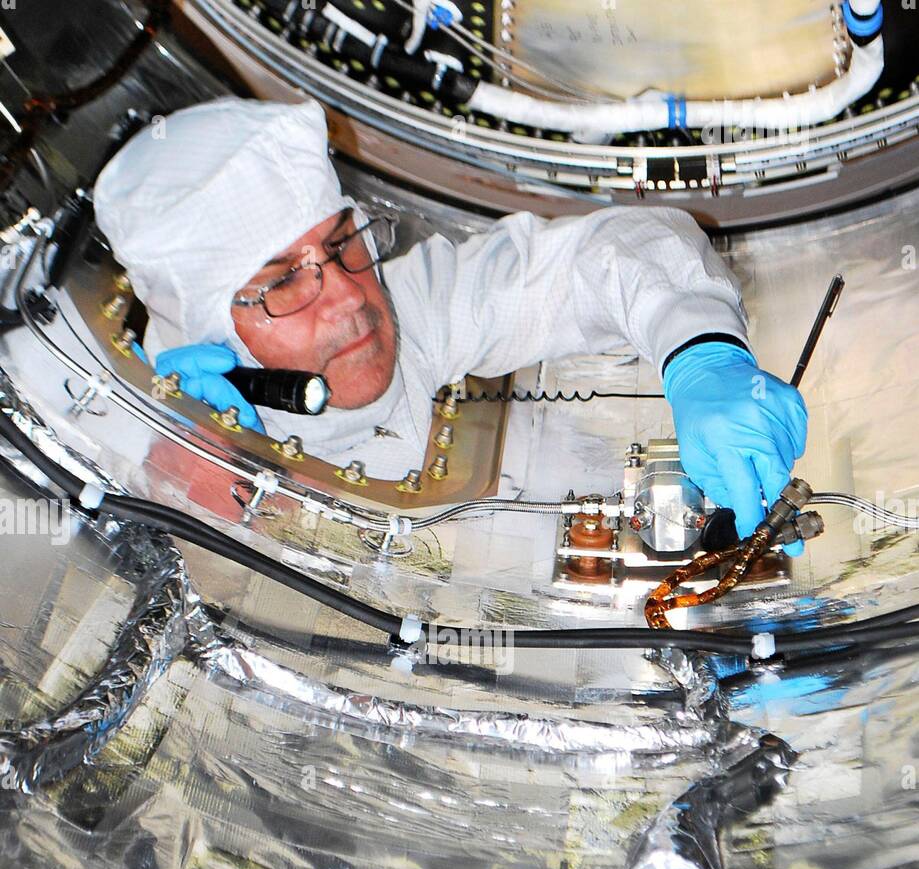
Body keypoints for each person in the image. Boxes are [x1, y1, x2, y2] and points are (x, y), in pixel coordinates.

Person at [93, 96, 807, 546]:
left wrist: (701, 355)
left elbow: (611, 253)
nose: (347, 298)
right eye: (283, 282)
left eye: (341, 243)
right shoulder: (108, 444)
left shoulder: (408, 307)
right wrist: (164, 488)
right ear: (201, 331)